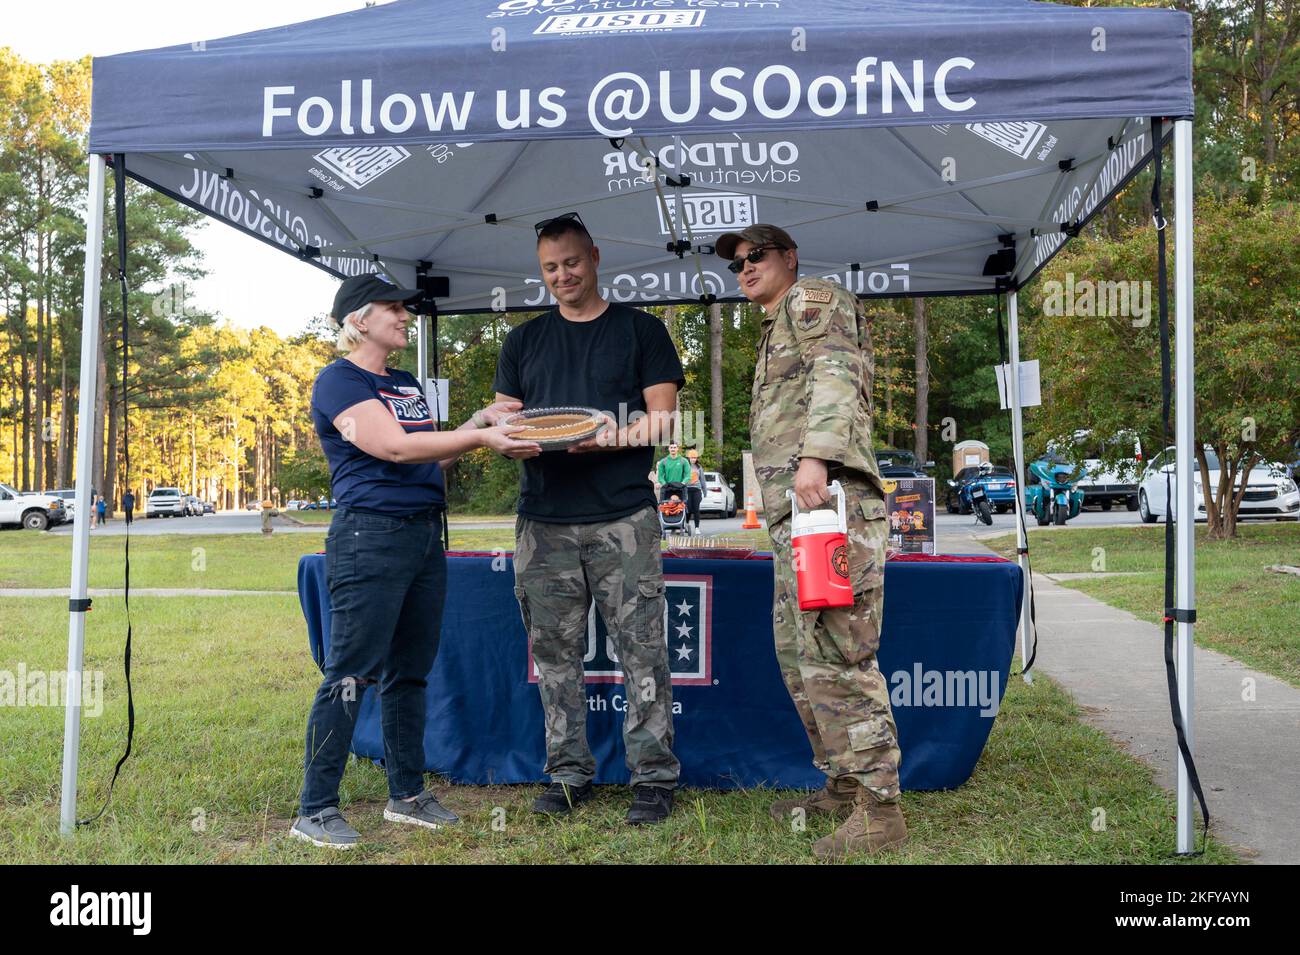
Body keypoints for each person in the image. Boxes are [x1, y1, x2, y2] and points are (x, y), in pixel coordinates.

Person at [290, 273, 540, 850]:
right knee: (352, 672)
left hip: (424, 537)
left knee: (411, 670)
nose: (405, 316)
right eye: (393, 308)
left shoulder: (404, 382)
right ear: (358, 319)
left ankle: (407, 795)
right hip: (368, 537)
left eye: (405, 308)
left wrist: (480, 423)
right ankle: (316, 806)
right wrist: (478, 439)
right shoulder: (338, 381)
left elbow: (425, 461)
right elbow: (394, 447)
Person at [718, 223, 904, 859]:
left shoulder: (811, 300)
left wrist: (817, 459)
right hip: (798, 522)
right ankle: (845, 784)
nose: (744, 267)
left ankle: (881, 813)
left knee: (838, 657)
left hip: (829, 507)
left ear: (789, 258)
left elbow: (836, 373)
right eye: (737, 262)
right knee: (800, 658)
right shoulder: (775, 325)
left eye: (756, 256)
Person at [494, 211, 683, 825]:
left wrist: (610, 439)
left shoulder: (640, 330)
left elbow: (664, 420)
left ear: (595, 257)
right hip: (542, 520)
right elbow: (505, 417)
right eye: (550, 267)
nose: (561, 276)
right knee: (555, 656)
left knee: (643, 649)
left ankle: (653, 778)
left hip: (623, 517)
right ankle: (567, 773)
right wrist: (506, 438)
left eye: (571, 262)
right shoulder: (524, 340)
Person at [684, 448, 704, 533]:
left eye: (694, 458)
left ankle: (697, 527)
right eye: (691, 458)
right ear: (689, 458)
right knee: (688, 508)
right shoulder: (685, 466)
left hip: (697, 490)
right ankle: (686, 524)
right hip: (687, 489)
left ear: (696, 458)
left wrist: (705, 491)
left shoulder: (699, 467)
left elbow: (702, 480)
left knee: (696, 509)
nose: (693, 459)